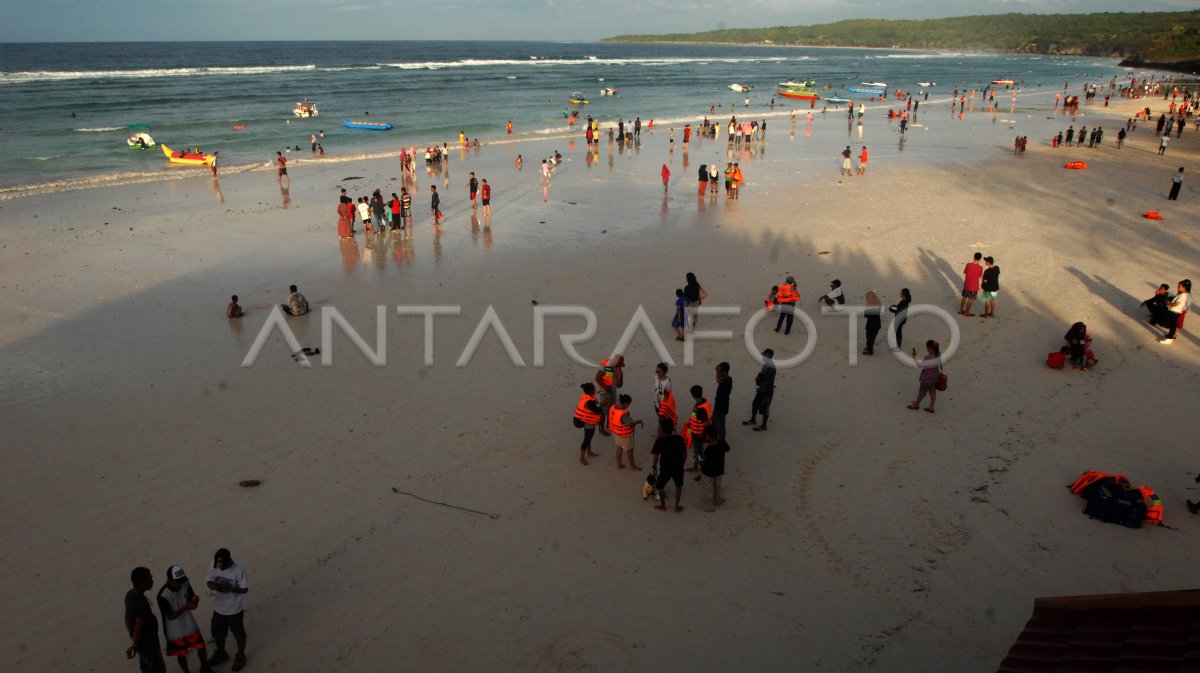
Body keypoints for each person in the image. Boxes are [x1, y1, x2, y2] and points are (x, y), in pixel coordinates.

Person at [156, 566, 212, 673]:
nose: (180, 583)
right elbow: (170, 616)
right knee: (181, 653)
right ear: (169, 580)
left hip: (189, 624)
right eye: (178, 581)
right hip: (175, 630)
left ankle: (205, 668)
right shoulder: (162, 595)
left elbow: (191, 599)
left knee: (201, 646)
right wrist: (185, 607)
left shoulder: (185, 583)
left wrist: (195, 600)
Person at [206, 549, 248, 671]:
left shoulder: (238, 570)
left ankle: (240, 655)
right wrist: (215, 586)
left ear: (229, 561)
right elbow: (209, 580)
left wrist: (230, 589)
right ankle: (221, 653)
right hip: (219, 609)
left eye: (223, 566)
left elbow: (244, 589)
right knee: (217, 632)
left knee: (239, 633)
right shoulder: (217, 564)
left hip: (234, 610)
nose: (220, 568)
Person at [125, 567, 166, 673]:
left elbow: (127, 616)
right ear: (141, 583)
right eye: (149, 579)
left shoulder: (130, 595)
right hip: (148, 642)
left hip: (141, 642)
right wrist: (134, 645)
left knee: (145, 666)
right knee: (157, 668)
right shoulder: (141, 602)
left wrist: (132, 634)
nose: (152, 581)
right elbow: (138, 627)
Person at [651, 418, 687, 512]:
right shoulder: (679, 439)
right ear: (673, 428)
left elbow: (656, 455)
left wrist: (654, 467)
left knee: (660, 486)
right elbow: (684, 454)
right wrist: (682, 464)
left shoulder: (660, 440)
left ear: (662, 429)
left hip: (665, 467)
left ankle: (663, 506)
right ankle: (676, 506)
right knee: (678, 485)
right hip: (678, 466)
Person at [742, 348, 775, 432]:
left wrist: (767, 395)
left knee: (765, 408)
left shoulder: (771, 367)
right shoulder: (766, 365)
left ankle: (764, 425)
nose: (763, 358)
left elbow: (770, 382)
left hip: (766, 391)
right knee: (755, 403)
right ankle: (753, 419)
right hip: (761, 389)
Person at [608, 394, 643, 470]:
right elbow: (630, 424)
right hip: (624, 435)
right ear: (625, 403)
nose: (628, 406)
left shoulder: (613, 407)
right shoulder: (623, 415)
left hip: (615, 433)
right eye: (628, 404)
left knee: (619, 448)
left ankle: (619, 465)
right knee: (630, 450)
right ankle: (633, 467)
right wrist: (638, 422)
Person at [907, 339, 942, 413]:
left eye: (927, 347)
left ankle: (916, 404)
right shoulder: (938, 355)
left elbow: (920, 365)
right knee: (933, 392)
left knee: (922, 392)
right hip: (935, 377)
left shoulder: (927, 357)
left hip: (927, 378)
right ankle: (931, 407)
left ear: (930, 348)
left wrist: (914, 358)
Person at [699, 426, 729, 512]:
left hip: (708, 472)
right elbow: (727, 448)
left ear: (708, 437)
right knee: (717, 487)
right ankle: (717, 501)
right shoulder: (722, 443)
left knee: (708, 490)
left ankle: (708, 507)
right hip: (719, 470)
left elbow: (705, 460)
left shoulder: (709, 449)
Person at [594, 354, 625, 434]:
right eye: (618, 364)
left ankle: (609, 424)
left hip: (613, 390)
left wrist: (620, 383)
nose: (619, 366)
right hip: (605, 391)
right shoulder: (604, 366)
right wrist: (605, 386)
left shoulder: (617, 367)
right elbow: (597, 378)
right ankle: (601, 429)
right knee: (603, 410)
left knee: (611, 408)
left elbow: (619, 379)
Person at [573, 382, 602, 465]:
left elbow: (597, 406)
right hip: (589, 422)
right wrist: (604, 403)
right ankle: (582, 458)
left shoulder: (587, 397)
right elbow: (598, 410)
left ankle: (589, 452)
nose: (595, 389)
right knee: (587, 439)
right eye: (593, 389)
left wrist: (600, 404)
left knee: (589, 437)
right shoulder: (589, 402)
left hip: (585, 420)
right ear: (590, 392)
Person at [1159, 279, 1191, 344]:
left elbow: (1177, 303)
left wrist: (1169, 304)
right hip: (1174, 310)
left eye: (1179, 286)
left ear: (1184, 287)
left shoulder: (1184, 295)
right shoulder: (1181, 294)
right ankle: (1170, 335)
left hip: (1177, 311)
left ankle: (1171, 338)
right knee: (1172, 324)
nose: (1178, 288)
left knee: (1173, 325)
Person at [713, 362, 732, 440]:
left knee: (720, 426)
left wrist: (717, 371)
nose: (719, 374)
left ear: (724, 373)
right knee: (714, 422)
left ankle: (721, 441)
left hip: (721, 408)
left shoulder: (727, 382)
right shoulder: (726, 379)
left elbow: (718, 380)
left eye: (720, 372)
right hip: (718, 406)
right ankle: (714, 437)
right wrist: (718, 370)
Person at [863, 291, 882, 355]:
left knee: (869, 338)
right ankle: (869, 348)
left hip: (871, 325)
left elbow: (866, 315)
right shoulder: (878, 303)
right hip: (877, 324)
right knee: (872, 337)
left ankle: (870, 351)